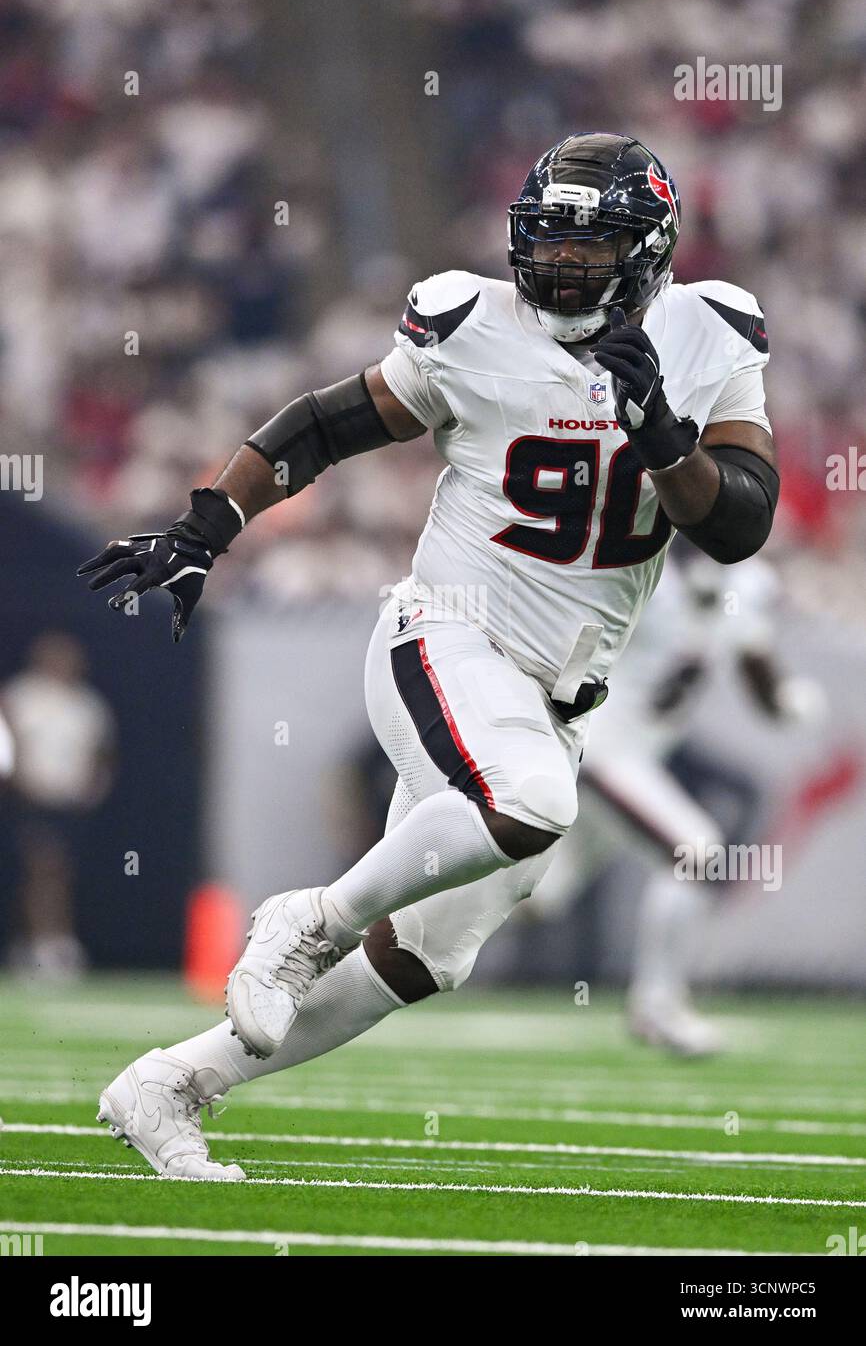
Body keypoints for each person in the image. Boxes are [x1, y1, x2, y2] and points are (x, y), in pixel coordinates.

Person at [78, 132, 779, 1179]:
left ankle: (173, 1083)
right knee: (531, 802)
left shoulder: (706, 333)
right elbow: (323, 425)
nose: (559, 269)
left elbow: (738, 522)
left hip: (558, 693)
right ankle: (307, 917)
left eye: (588, 252)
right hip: (448, 632)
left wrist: (663, 437)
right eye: (545, 243)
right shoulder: (472, 324)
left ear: (648, 252)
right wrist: (208, 523)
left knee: (422, 957)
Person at [534, 550, 824, 1055]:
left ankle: (393, 926)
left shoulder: (745, 583)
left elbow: (759, 674)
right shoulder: (640, 565)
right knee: (695, 850)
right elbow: (572, 646)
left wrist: (787, 702)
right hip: (599, 751)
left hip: (634, 758)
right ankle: (658, 1004)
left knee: (535, 895)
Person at [2, 631, 116, 976]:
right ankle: (47, 944)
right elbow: (10, 747)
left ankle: (43, 942)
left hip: (71, 804)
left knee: (59, 873)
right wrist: (19, 783)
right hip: (30, 800)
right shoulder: (18, 696)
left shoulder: (87, 705)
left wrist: (95, 788)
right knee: (43, 868)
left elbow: (103, 756)